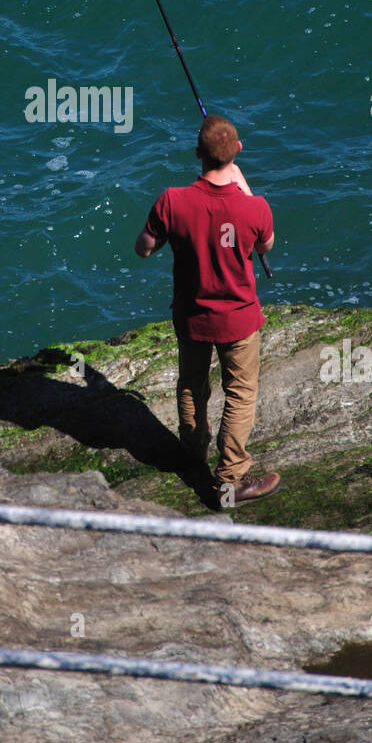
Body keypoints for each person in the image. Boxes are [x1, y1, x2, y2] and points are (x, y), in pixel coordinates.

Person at [134, 114, 280, 508]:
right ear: (238, 151)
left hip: (191, 316)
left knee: (191, 383)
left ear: (197, 153)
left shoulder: (172, 201)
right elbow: (265, 246)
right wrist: (243, 188)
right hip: (239, 320)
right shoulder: (256, 209)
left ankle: (192, 449)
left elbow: (143, 247)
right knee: (241, 394)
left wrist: (168, 232)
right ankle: (229, 482)